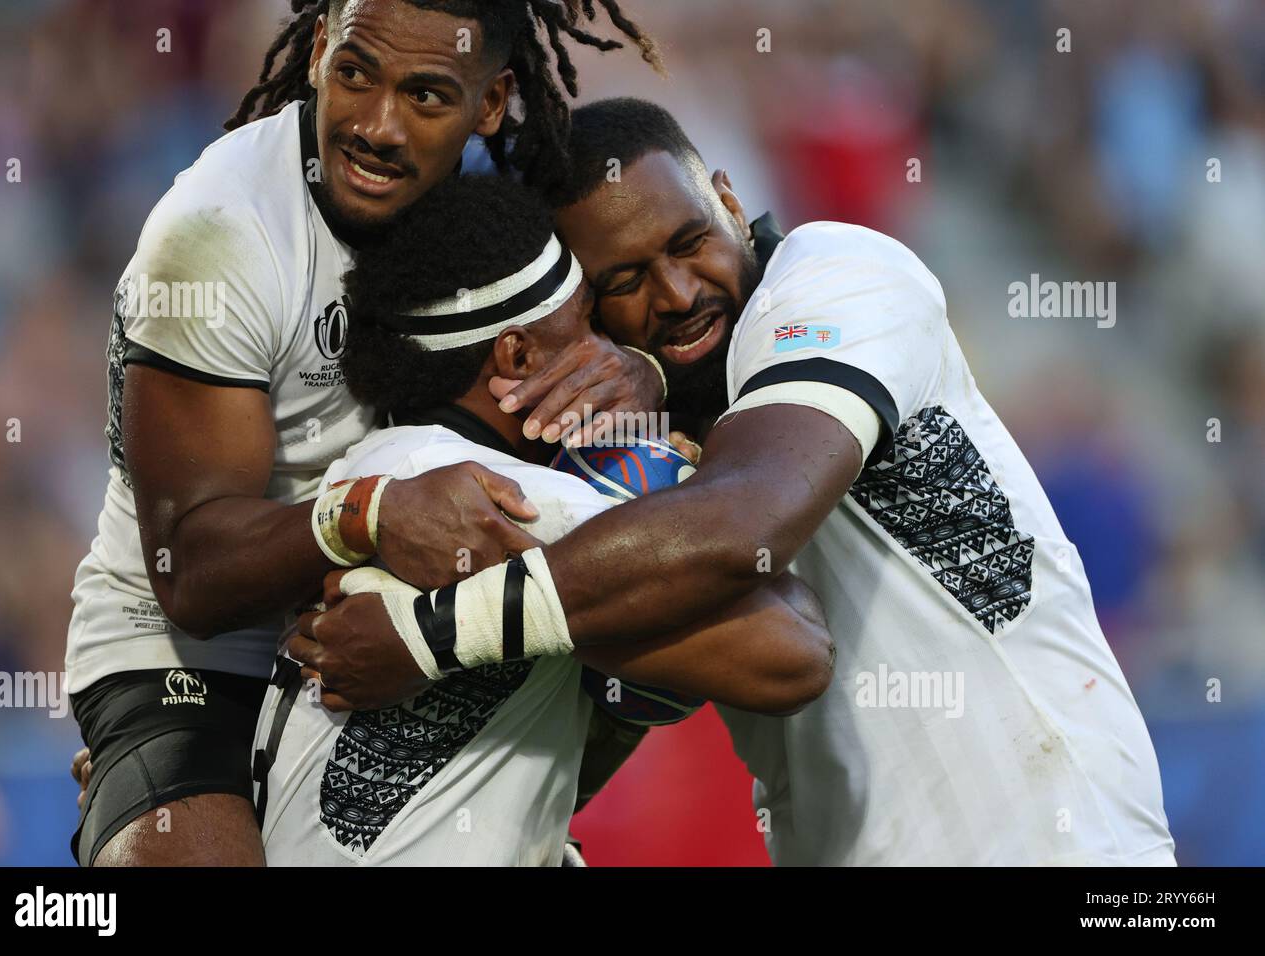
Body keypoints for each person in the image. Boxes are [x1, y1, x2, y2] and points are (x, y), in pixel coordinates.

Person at [298, 97, 1177, 866]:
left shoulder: (836, 273)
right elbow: (633, 691)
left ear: (725, 195)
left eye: (688, 243)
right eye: (626, 282)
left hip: (1055, 841)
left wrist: (432, 634)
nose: (678, 294)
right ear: (580, 312)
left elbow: (744, 530)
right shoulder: (641, 460)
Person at [66, 1, 665, 868]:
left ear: (492, 103)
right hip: (196, 655)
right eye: (354, 74)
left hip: (408, 605)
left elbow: (679, 281)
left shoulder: (514, 191)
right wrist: (369, 516)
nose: (377, 126)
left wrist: (639, 367)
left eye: (425, 95)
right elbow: (187, 574)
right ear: (317, 50)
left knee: (647, 648)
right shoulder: (215, 236)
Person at [256, 173, 832, 865]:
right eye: (588, 322)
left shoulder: (383, 468)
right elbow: (793, 651)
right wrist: (661, 522)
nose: (611, 354)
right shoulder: (509, 498)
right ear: (519, 355)